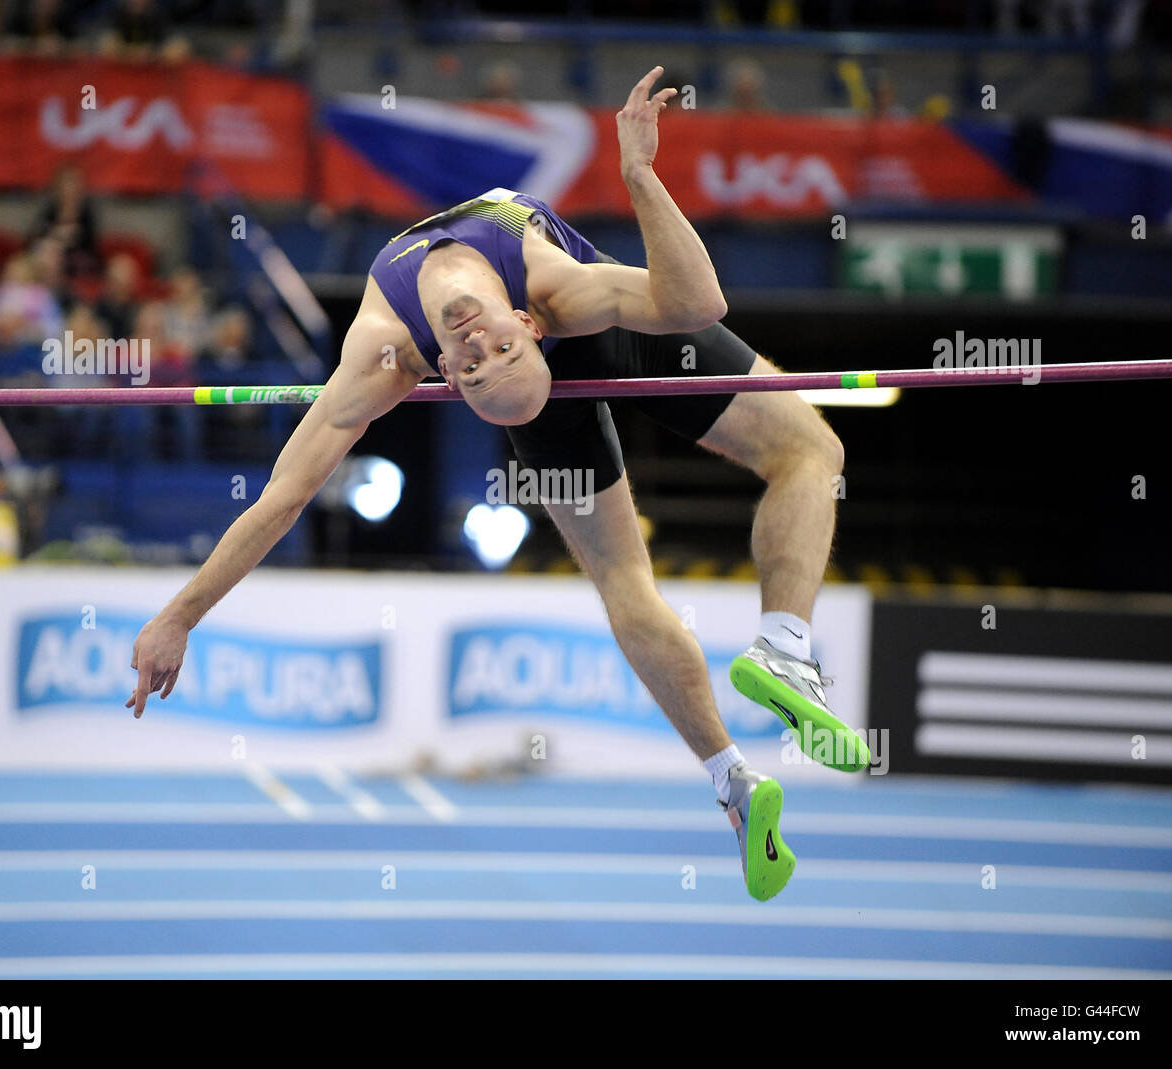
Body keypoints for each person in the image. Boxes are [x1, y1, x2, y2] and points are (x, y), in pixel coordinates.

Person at [126, 68, 864, 903]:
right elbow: (283, 499)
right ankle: (734, 781)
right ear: (446, 378)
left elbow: (697, 305)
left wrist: (639, 176)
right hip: (549, 395)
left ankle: (783, 650)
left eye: (490, 354)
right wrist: (179, 616)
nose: (477, 346)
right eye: (473, 368)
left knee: (810, 450)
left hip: (594, 330)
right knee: (629, 574)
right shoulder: (411, 351)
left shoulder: (505, 308)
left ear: (527, 326)